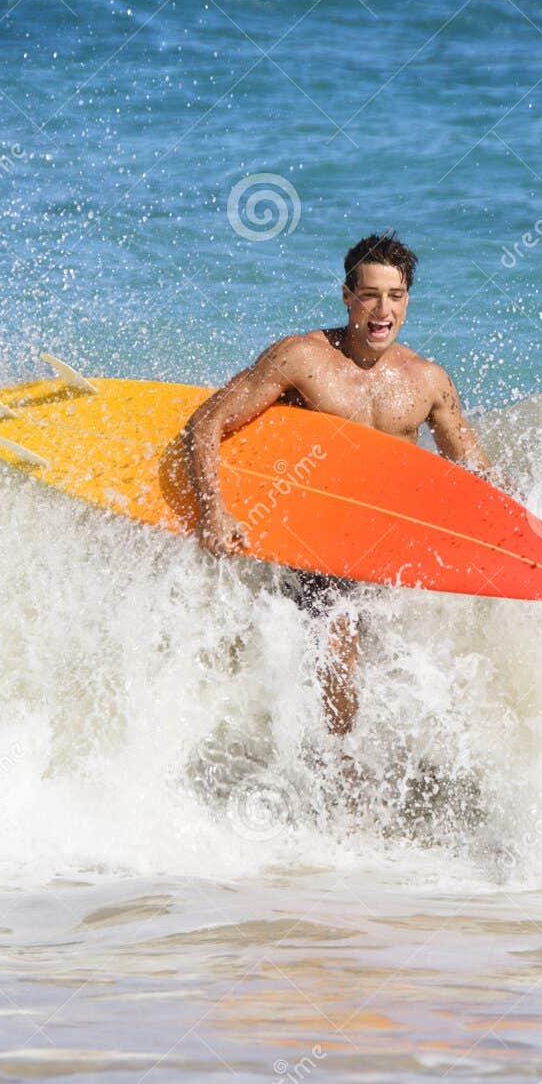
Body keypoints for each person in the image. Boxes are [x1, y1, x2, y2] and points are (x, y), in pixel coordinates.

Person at [183, 231, 493, 736]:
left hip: (386, 547)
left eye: (395, 296)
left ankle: (360, 771)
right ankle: (344, 784)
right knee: (340, 646)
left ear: (408, 300)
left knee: (403, 673)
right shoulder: (302, 359)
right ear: (347, 295)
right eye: (369, 295)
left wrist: (525, 527)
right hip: (314, 537)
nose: (381, 311)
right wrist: (212, 508)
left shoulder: (427, 381)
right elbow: (209, 422)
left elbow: (474, 467)